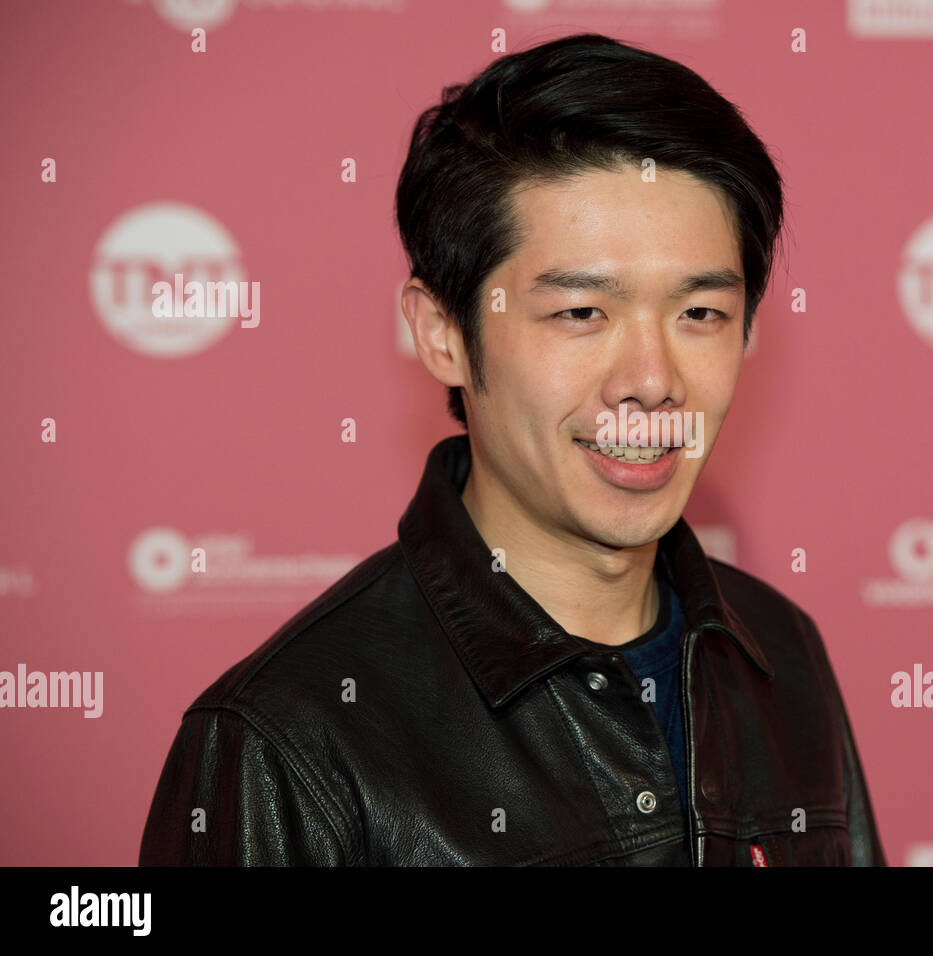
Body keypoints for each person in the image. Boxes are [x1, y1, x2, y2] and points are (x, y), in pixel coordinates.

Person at [139, 32, 886, 866]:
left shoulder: (778, 651)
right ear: (443, 334)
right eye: (580, 314)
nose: (651, 380)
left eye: (699, 314)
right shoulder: (289, 739)